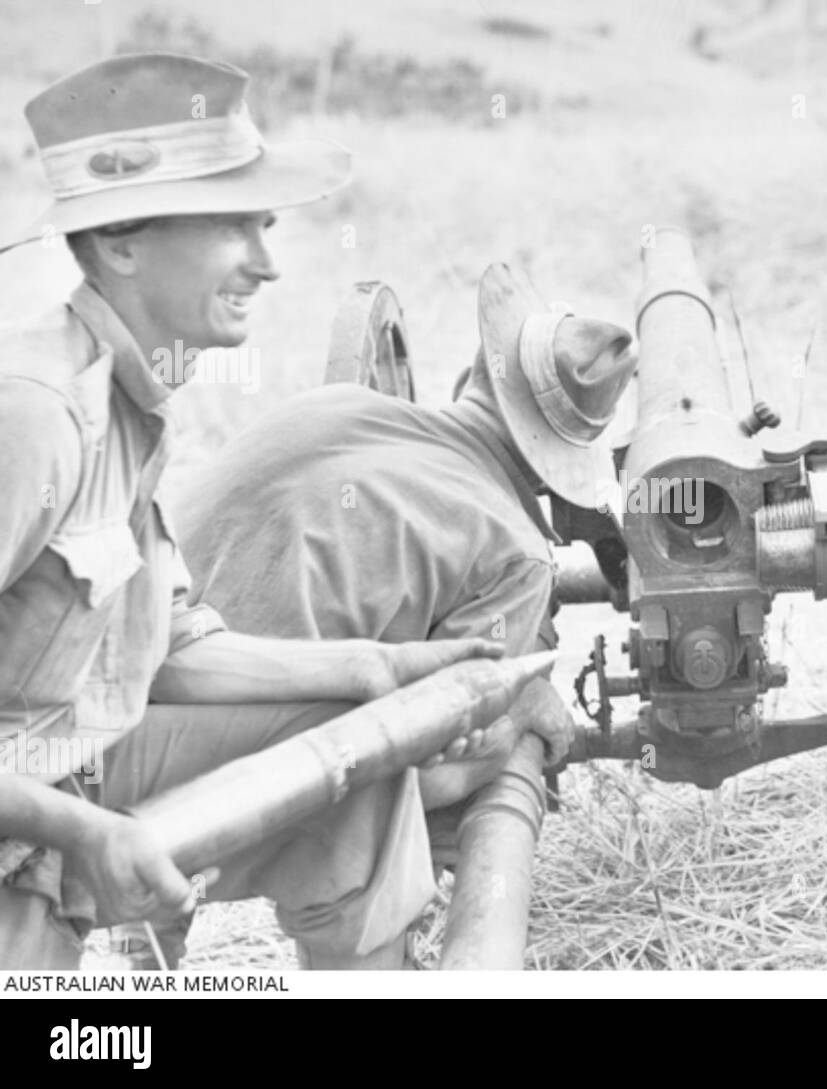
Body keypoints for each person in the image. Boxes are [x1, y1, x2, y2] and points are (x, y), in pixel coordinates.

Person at [0, 52, 508, 971]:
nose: (268, 264)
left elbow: (173, 654)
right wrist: (82, 831)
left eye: (264, 224)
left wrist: (378, 666)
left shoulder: (127, 394)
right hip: (24, 824)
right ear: (120, 242)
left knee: (352, 747)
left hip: (59, 777)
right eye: (234, 227)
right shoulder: (33, 412)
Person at [169, 263, 636, 963]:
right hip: (220, 792)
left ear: (473, 378)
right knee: (375, 850)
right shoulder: (516, 555)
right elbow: (429, 778)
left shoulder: (328, 406)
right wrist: (520, 716)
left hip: (113, 721)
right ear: (560, 465)